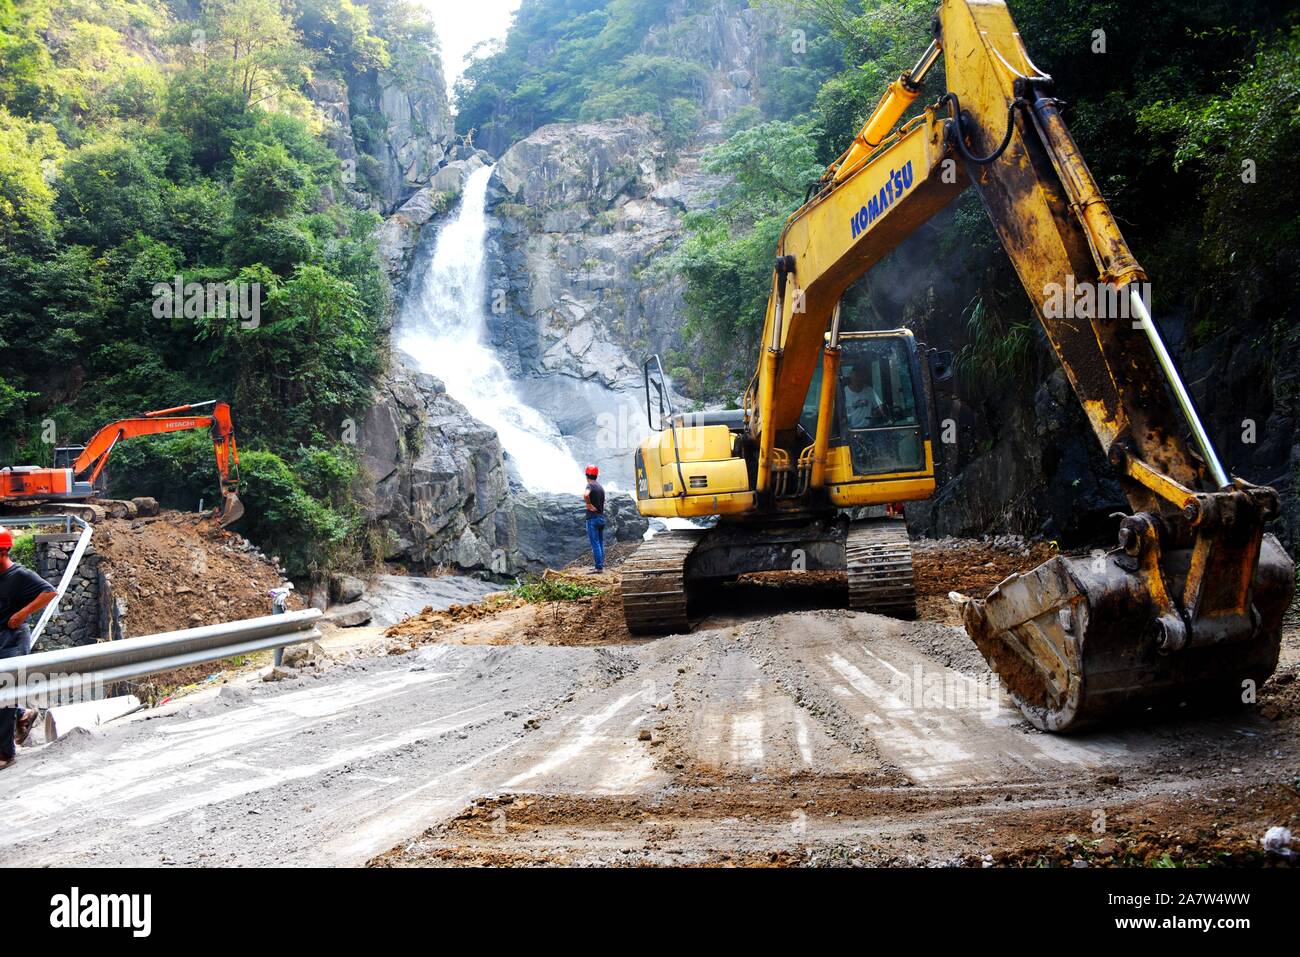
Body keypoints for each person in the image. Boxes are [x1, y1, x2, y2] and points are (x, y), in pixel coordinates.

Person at [0, 526, 56, 770]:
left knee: (3, 695)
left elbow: (49, 592)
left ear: (2, 551)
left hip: (13, 639)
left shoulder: (20, 575)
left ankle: (5, 753)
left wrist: (22, 614)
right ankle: (23, 714)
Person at [583, 464, 606, 573]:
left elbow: (586, 495)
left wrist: (588, 504)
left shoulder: (590, 486)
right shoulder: (600, 487)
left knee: (595, 543)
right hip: (601, 517)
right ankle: (601, 564)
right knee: (600, 542)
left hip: (592, 518)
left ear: (587, 475)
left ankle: (598, 568)